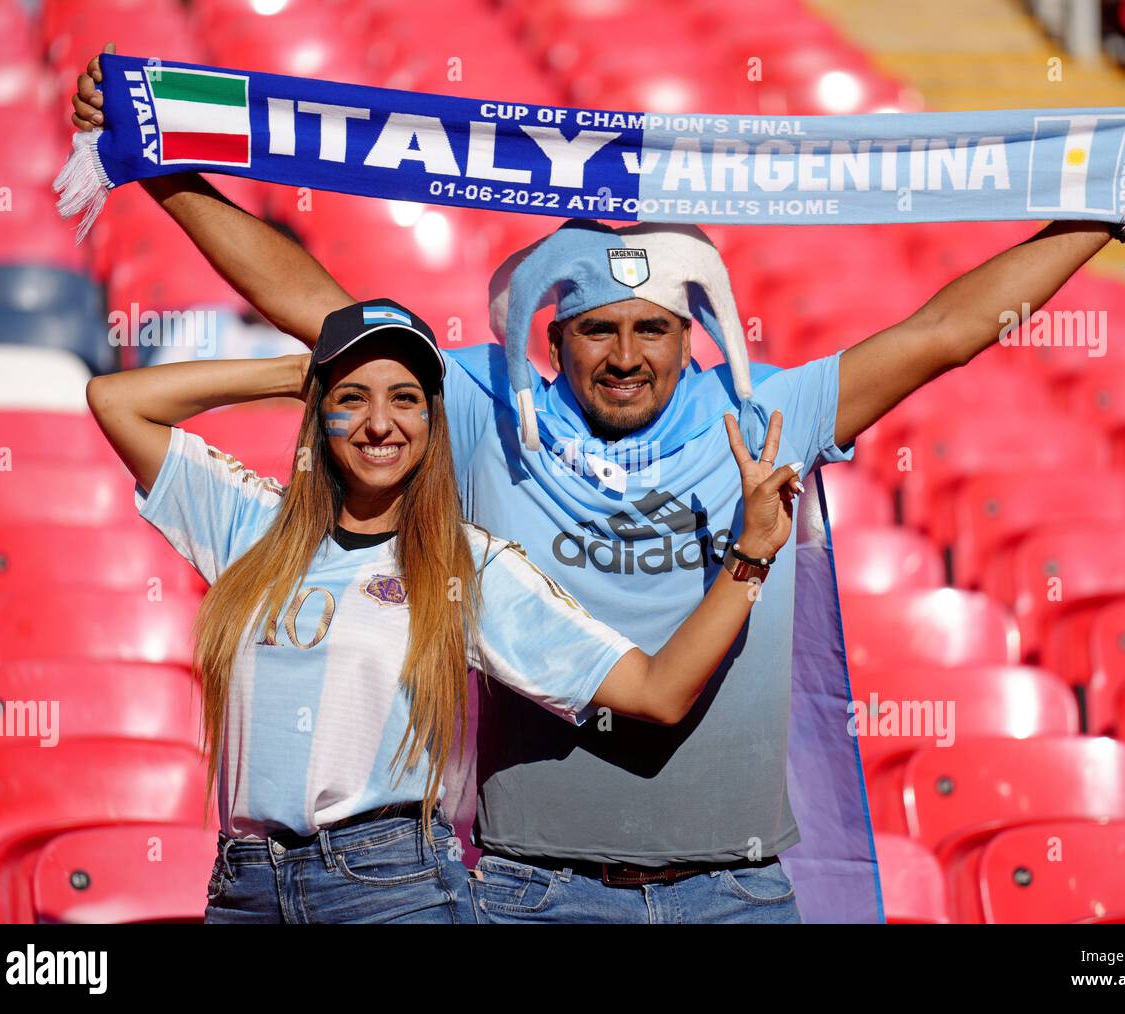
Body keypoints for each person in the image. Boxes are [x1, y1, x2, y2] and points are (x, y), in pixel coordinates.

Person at [72, 48, 1125, 923]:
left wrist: (1104, 209)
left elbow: (947, 330)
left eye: (654, 330)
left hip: (734, 889)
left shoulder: (766, 419)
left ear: (694, 330)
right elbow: (317, 309)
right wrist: (155, 161)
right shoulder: (484, 408)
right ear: (551, 337)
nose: (626, 355)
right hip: (529, 891)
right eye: (598, 330)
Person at [85, 296, 805, 924]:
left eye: (404, 398)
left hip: (390, 888)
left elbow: (657, 691)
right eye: (351, 398)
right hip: (243, 885)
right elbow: (115, 399)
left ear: (433, 421)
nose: (378, 422)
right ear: (320, 413)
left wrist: (751, 555)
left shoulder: (468, 566)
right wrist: (293, 375)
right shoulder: (248, 529)